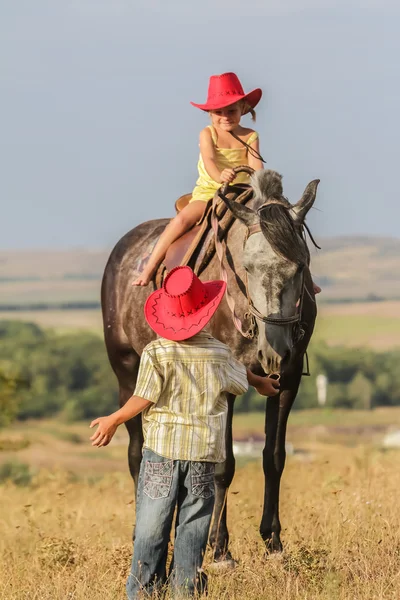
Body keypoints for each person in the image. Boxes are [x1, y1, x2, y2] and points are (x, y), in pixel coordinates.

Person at [90, 266, 280, 599]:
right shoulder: (220, 354)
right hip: (203, 456)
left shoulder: (157, 353)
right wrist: (262, 382)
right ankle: (185, 591)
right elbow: (241, 377)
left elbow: (143, 397)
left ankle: (143, 592)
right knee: (193, 529)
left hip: (162, 453)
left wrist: (114, 419)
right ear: (206, 314)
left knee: (151, 527)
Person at [132, 72, 264, 287]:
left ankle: (304, 277)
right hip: (211, 193)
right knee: (182, 220)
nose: (225, 116)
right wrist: (220, 177)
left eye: (231, 111)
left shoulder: (251, 136)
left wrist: (263, 184)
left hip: (242, 194)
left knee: (280, 220)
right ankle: (150, 268)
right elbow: (210, 160)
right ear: (210, 114)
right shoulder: (207, 134)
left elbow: (256, 165)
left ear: (243, 109)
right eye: (218, 112)